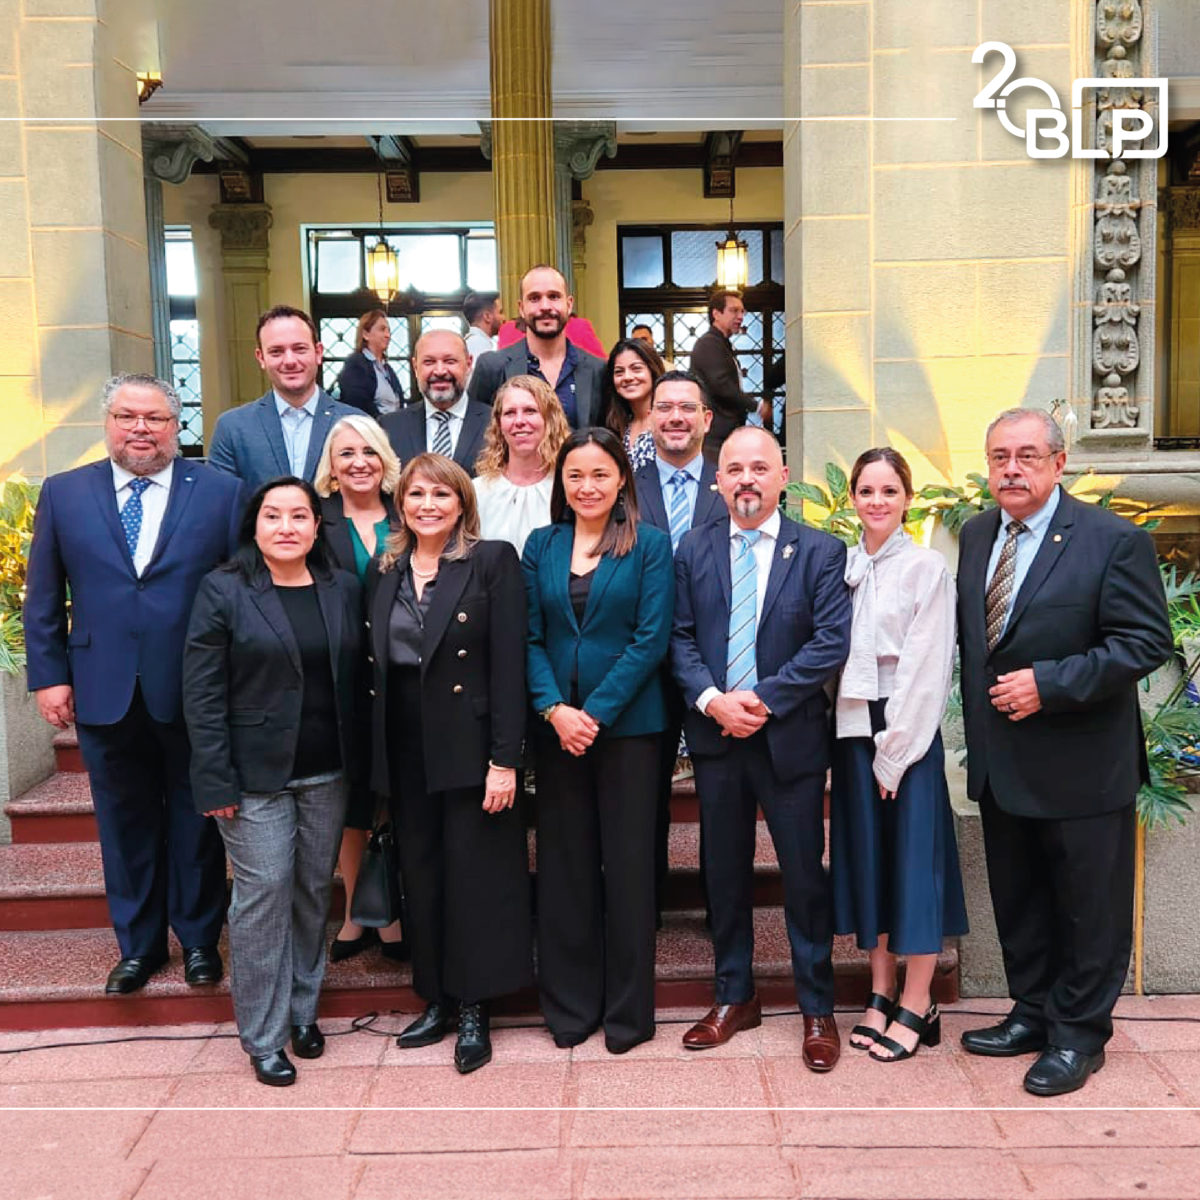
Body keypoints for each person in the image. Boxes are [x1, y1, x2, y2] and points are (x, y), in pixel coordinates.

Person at [956, 408, 1172, 1096]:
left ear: (1059, 461)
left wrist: (1050, 684)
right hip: (1003, 762)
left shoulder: (1113, 540)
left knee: (1087, 908)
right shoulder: (976, 535)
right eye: (999, 457)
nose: (1011, 470)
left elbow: (1144, 642)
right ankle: (1032, 1012)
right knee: (1020, 902)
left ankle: (1079, 1036)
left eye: (1025, 455)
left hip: (1081, 763)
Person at [23, 373, 242, 995]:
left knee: (198, 821)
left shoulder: (221, 493)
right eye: (127, 417)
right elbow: (43, 594)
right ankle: (139, 948)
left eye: (155, 418)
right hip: (102, 685)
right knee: (124, 823)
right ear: (109, 424)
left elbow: (238, 594)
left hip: (195, 689)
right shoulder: (65, 493)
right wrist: (49, 677)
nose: (141, 429)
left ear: (177, 427)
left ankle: (200, 942)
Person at [670, 426, 850, 1071]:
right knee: (723, 874)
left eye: (759, 468)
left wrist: (764, 699)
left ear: (782, 476)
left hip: (790, 743)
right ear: (718, 482)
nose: (746, 479)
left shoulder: (822, 552)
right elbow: (679, 638)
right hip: (718, 738)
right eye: (734, 469)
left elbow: (830, 642)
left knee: (804, 877)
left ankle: (816, 1007)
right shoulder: (692, 550)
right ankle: (734, 997)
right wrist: (715, 700)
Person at [183, 477, 364, 1087]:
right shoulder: (224, 589)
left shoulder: (343, 588)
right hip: (253, 777)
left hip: (328, 770)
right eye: (273, 516)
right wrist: (213, 779)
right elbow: (202, 693)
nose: (286, 527)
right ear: (254, 526)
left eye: (299, 516)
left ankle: (303, 1012)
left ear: (317, 526)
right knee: (262, 901)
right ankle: (263, 1038)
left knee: (314, 891)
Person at [366, 454, 531, 1074]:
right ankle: (435, 996)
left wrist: (505, 760)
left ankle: (474, 1007)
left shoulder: (492, 562)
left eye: (441, 494)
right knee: (424, 876)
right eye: (416, 495)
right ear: (401, 505)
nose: (428, 505)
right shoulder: (383, 573)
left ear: (461, 502)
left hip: (472, 744)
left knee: (476, 878)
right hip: (406, 746)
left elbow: (509, 666)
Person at [523, 429, 674, 1054]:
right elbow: (527, 636)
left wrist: (596, 714)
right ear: (562, 483)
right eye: (576, 476)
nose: (587, 487)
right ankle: (570, 1007)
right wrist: (556, 710)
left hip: (631, 732)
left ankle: (628, 1015)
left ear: (622, 483)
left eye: (600, 475)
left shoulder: (651, 547)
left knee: (630, 870)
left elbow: (651, 639)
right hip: (557, 732)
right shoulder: (541, 544)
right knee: (566, 870)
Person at [831, 448, 967, 1062]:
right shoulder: (845, 564)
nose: (877, 501)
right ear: (852, 499)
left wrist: (897, 751)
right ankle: (880, 989)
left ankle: (919, 1000)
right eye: (866, 490)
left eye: (889, 490)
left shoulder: (926, 568)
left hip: (903, 726)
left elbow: (927, 666)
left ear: (907, 498)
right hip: (854, 723)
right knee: (869, 860)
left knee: (913, 863)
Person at [311, 415, 407, 963]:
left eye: (368, 451)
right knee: (351, 800)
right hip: (339, 677)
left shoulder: (409, 511)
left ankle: (390, 912)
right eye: (345, 453)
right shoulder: (316, 518)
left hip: (403, 675)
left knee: (391, 795)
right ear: (332, 464)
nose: (358, 462)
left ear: (384, 457)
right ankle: (353, 913)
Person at [632, 370, 723, 917]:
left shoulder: (729, 480)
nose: (675, 418)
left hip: (714, 665)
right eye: (664, 408)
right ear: (651, 420)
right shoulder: (625, 483)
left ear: (706, 419)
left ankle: (720, 907)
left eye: (687, 408)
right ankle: (648, 902)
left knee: (718, 797)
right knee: (645, 796)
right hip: (643, 664)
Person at [207, 305, 359, 489]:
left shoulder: (355, 423)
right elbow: (219, 505)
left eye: (300, 349)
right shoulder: (233, 428)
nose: (289, 361)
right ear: (261, 357)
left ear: (318, 353)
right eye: (276, 352)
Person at [470, 266, 604, 428]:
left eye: (554, 296)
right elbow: (478, 434)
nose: (545, 306)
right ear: (521, 308)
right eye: (534, 298)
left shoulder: (597, 370)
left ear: (569, 305)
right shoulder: (492, 367)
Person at [472, 375, 571, 557]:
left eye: (530, 411)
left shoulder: (567, 489)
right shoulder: (477, 491)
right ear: (499, 424)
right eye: (510, 413)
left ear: (549, 419)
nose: (519, 421)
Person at [380, 330, 491, 476]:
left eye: (450, 361)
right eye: (429, 362)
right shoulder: (390, 427)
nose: (439, 371)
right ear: (415, 367)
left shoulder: (495, 423)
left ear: (469, 364)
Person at [687, 290, 760, 464]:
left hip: (722, 434)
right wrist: (756, 405)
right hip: (714, 437)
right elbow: (721, 386)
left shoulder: (721, 343)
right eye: (734, 311)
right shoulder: (709, 344)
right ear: (716, 314)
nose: (740, 316)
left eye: (742, 311)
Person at [601, 337, 665, 473]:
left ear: (652, 371)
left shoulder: (667, 422)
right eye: (619, 372)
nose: (627, 377)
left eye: (636, 369)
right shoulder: (616, 427)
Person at [334, 310, 406, 418]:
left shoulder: (386, 367)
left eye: (388, 331)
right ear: (366, 334)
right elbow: (358, 405)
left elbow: (398, 401)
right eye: (382, 329)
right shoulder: (356, 365)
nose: (388, 335)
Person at [463, 290, 505, 368]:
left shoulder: (476, 342)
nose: (503, 318)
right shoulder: (479, 344)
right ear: (487, 316)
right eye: (500, 312)